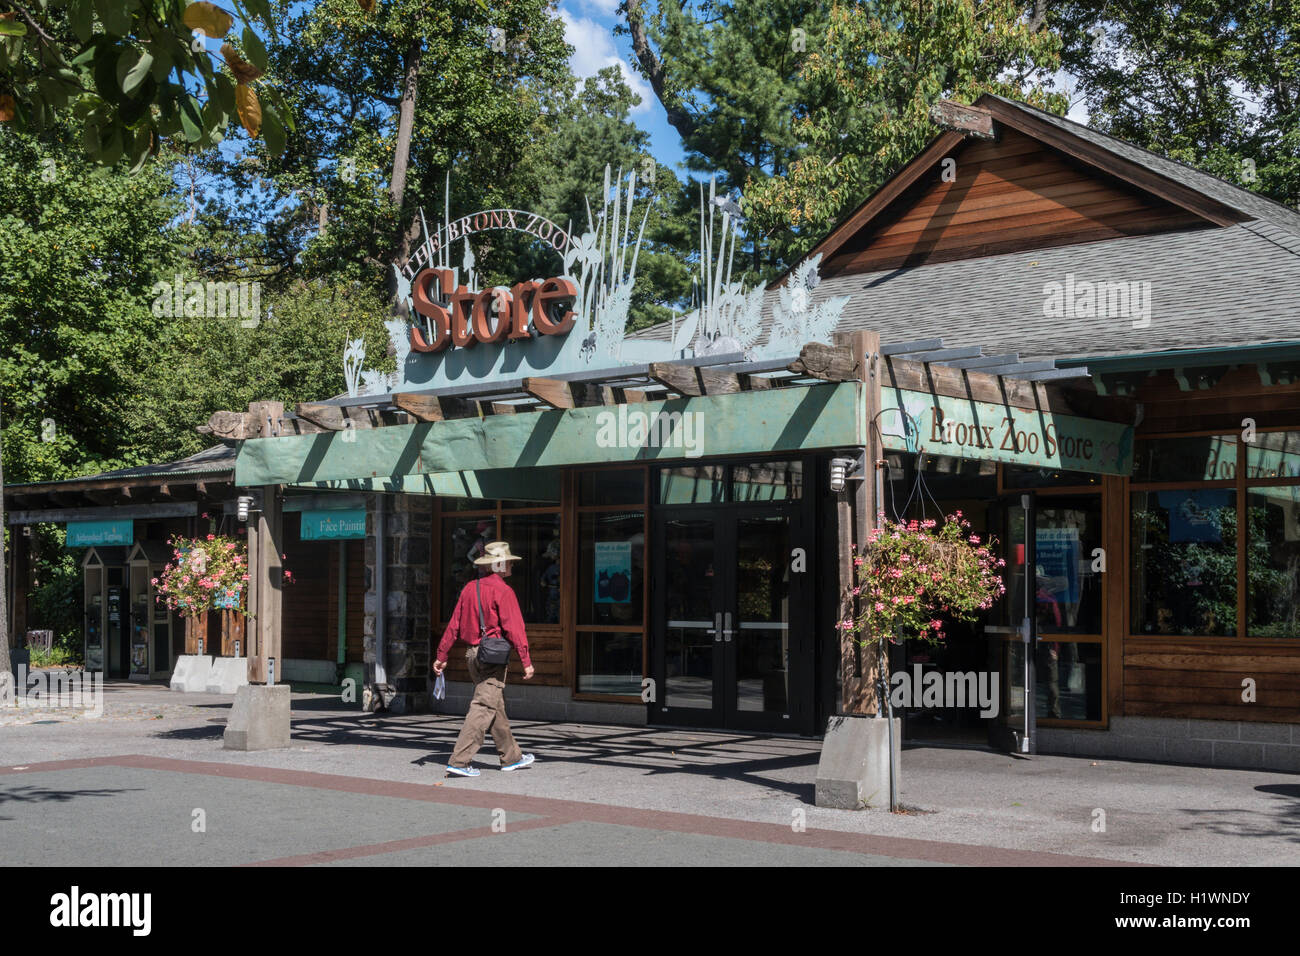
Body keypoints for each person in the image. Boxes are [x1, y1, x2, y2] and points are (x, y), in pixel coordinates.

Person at [432, 540, 536, 777]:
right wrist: (526, 660)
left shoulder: (470, 588)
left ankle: (512, 757)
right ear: (498, 564)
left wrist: (442, 655)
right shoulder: (504, 591)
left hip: (472, 655)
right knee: (483, 706)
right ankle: (459, 761)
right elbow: (515, 629)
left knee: (493, 704)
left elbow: (454, 625)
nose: (510, 564)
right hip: (493, 657)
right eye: (508, 561)